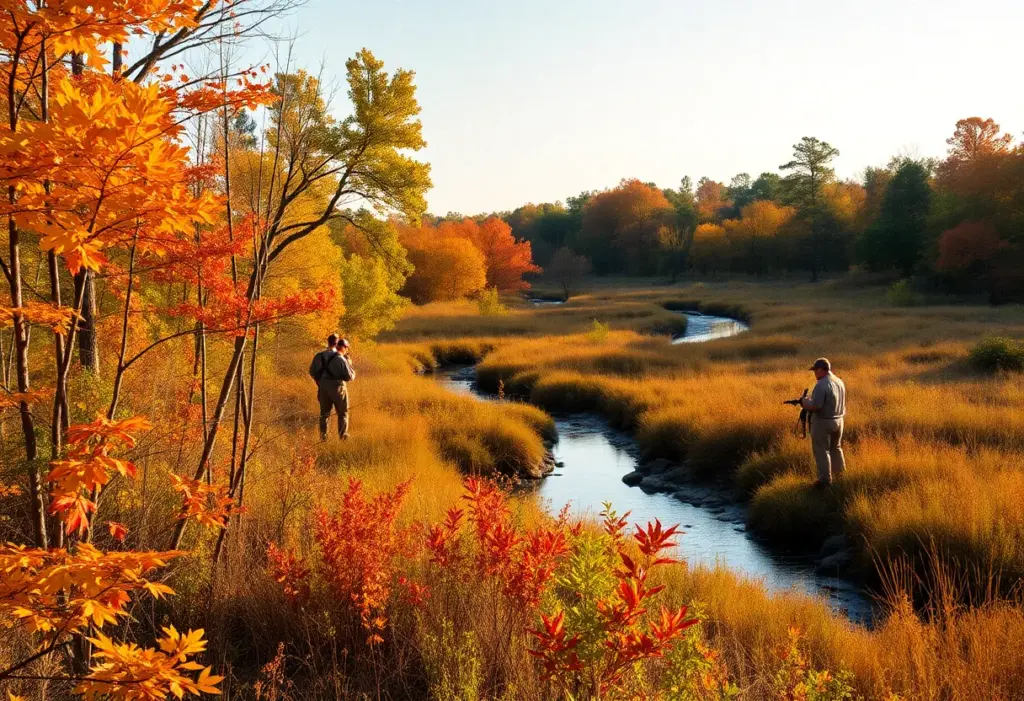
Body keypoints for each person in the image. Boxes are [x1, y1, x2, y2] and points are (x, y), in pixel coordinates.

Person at [801, 357, 846, 487]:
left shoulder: (821, 384)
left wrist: (804, 403)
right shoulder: (839, 381)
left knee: (821, 451)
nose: (814, 373)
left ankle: (824, 481)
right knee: (836, 448)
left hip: (823, 422)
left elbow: (816, 406)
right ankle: (841, 477)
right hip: (839, 421)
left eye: (815, 370)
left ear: (821, 370)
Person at [308, 334, 356, 441]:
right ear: (338, 343)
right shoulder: (341, 358)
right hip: (338, 388)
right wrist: (349, 363)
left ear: (328, 342)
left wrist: (320, 383)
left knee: (324, 415)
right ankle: (343, 437)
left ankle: (323, 439)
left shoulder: (318, 356)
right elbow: (350, 377)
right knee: (343, 413)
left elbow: (311, 372)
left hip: (323, 388)